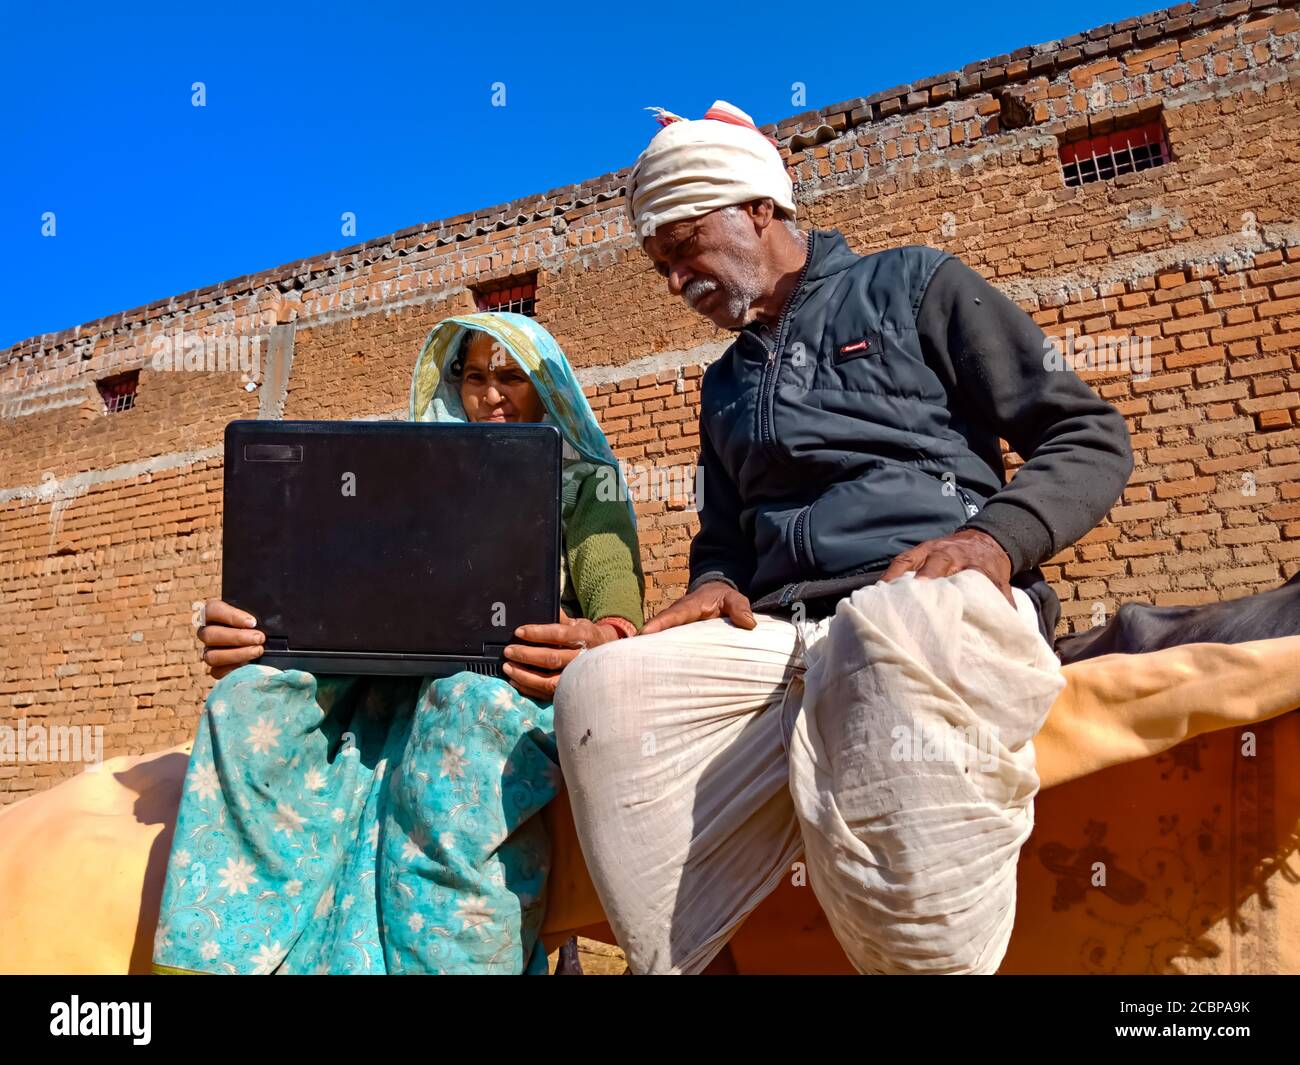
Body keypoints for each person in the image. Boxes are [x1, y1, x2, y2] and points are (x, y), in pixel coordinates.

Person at [553, 101, 1135, 974]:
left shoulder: (915, 286)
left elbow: (1087, 435)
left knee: (888, 636)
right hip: (783, 630)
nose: (675, 282)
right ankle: (687, 959)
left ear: (756, 207)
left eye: (683, 249)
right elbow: (724, 534)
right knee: (606, 685)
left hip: (924, 602)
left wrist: (992, 542)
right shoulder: (725, 384)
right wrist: (716, 580)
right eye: (659, 267)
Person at [153, 311, 643, 974]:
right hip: (377, 686)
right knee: (244, 699)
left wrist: (599, 635)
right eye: (472, 377)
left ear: (544, 387)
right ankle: (225, 951)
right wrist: (255, 632)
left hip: (504, 682)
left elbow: (614, 599)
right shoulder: (409, 474)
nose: (488, 395)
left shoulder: (589, 481)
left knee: (462, 705)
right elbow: (336, 581)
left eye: (509, 377)